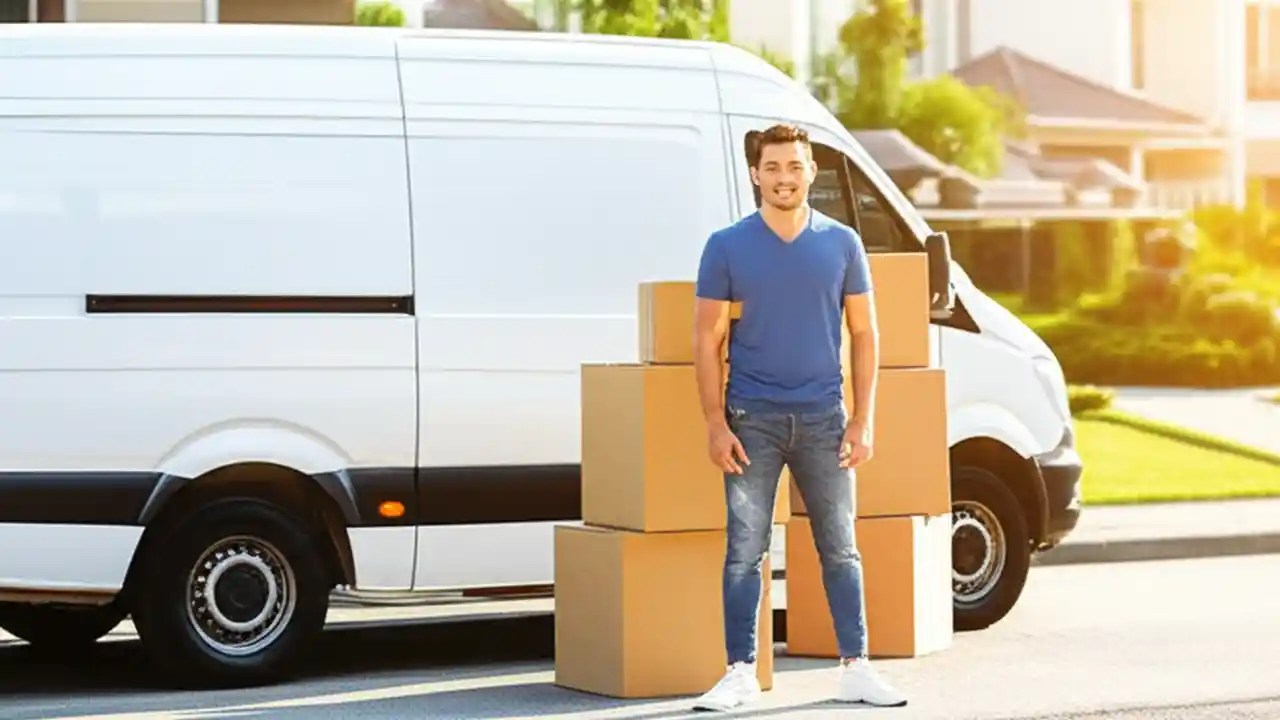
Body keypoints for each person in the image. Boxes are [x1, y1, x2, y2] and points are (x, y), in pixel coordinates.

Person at [689, 124, 907, 711]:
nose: (784, 177)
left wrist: (864, 419)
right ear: (756, 175)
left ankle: (857, 668)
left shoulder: (842, 244)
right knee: (744, 551)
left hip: (824, 420)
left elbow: (864, 334)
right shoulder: (726, 246)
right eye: (773, 167)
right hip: (750, 419)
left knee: (840, 548)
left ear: (812, 173)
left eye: (795, 166)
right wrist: (715, 421)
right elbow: (706, 338)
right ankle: (738, 672)